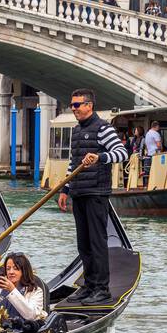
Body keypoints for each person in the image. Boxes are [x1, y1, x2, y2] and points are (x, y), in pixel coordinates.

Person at [56, 88, 128, 306]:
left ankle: (101, 289)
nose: (74, 109)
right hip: (78, 192)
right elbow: (73, 163)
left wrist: (100, 157)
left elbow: (121, 153)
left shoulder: (103, 128)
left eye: (77, 105)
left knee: (97, 242)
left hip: (96, 193)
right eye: (72, 105)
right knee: (83, 243)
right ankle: (88, 285)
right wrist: (65, 189)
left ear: (89, 105)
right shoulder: (76, 131)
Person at [0, 252, 46, 324]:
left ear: (24, 271)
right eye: (8, 269)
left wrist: (12, 290)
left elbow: (31, 316)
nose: (11, 272)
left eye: (15, 268)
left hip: (22, 332)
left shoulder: (35, 291)